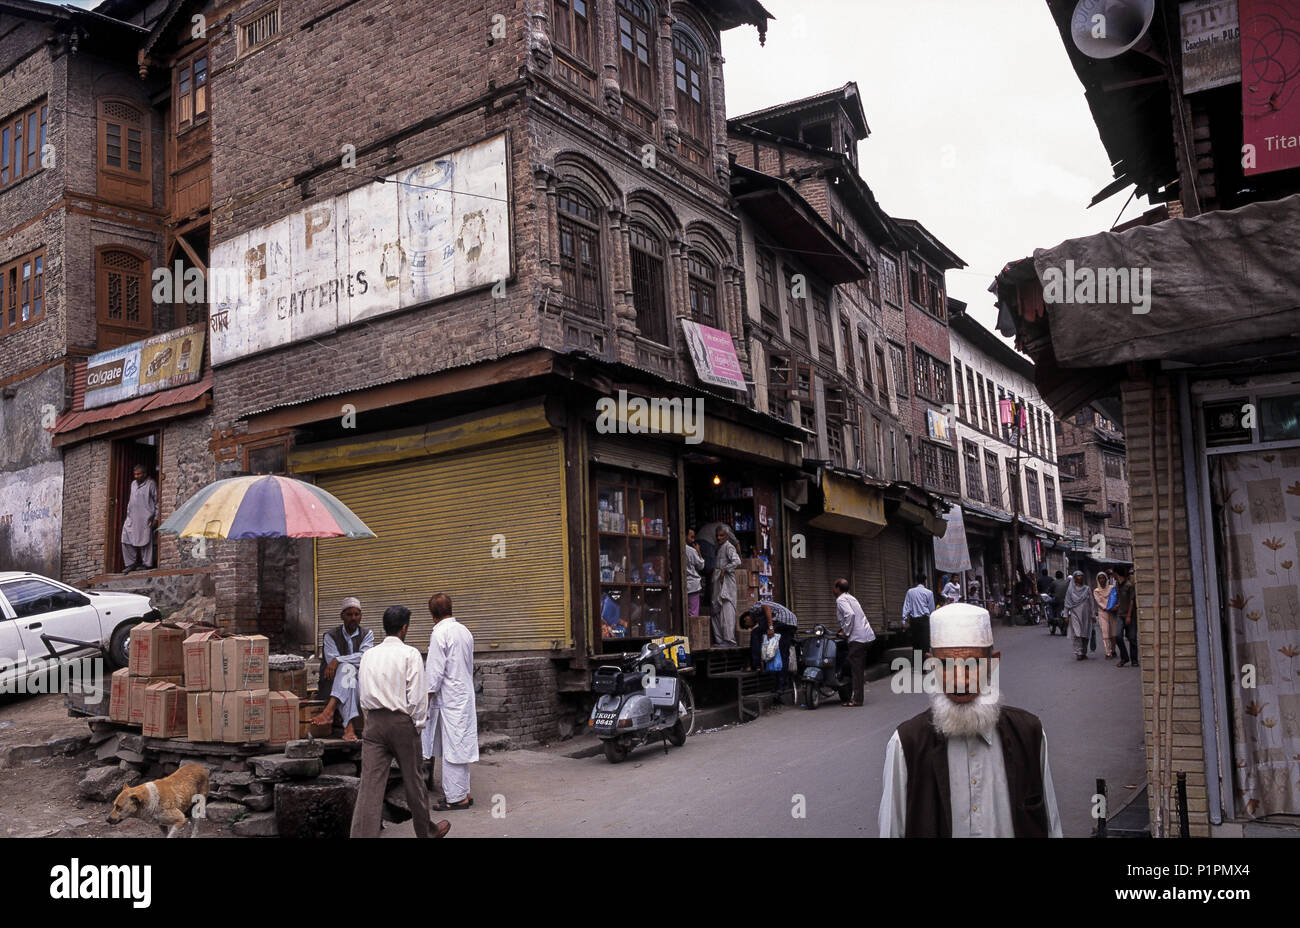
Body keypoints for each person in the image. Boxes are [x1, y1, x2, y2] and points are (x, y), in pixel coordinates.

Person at [878, 602, 1063, 837]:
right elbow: (891, 829)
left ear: (993, 663)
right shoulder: (906, 744)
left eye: (972, 664)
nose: (960, 680)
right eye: (946, 665)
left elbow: (1051, 825)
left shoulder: (1029, 733)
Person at [350, 605, 450, 839]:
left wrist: (370, 721)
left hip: (373, 722)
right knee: (414, 780)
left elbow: (363, 693)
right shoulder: (410, 654)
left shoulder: (368, 655)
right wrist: (417, 724)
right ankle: (426, 832)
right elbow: (416, 696)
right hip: (402, 722)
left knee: (370, 785)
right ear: (404, 628)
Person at [422, 593, 479, 812]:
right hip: (463, 694)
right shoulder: (463, 631)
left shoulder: (440, 633)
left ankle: (456, 798)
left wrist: (425, 697)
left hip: (449, 698)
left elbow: (435, 671)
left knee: (453, 747)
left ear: (432, 614)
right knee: (460, 743)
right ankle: (464, 791)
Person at [312, 597, 374, 740]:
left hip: (358, 684)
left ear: (361, 616)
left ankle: (331, 711)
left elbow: (365, 657)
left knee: (348, 671)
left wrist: (338, 659)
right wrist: (342, 662)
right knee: (348, 671)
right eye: (349, 615)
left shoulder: (367, 634)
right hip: (332, 684)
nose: (353, 618)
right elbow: (330, 663)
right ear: (342, 616)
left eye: (356, 614)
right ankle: (349, 728)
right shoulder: (330, 636)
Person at [739, 599, 797, 689]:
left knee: (755, 633)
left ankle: (756, 665)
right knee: (783, 654)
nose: (750, 627)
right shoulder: (761, 620)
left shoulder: (753, 610)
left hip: (781, 620)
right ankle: (781, 686)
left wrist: (770, 627)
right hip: (791, 623)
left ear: (746, 618)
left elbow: (767, 608)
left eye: (748, 625)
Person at [835, 579, 875, 707]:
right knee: (854, 666)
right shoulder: (851, 598)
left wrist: (845, 632)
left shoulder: (841, 599)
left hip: (857, 638)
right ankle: (852, 694)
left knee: (856, 669)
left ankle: (857, 699)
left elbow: (850, 614)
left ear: (837, 588)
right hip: (866, 635)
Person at [120, 464, 157, 572]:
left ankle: (147, 564)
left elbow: (157, 502)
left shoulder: (151, 484)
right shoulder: (133, 484)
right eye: (135, 474)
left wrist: (156, 518)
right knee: (125, 540)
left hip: (145, 518)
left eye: (139, 474)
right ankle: (130, 564)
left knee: (145, 542)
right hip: (131, 518)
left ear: (144, 474)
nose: (136, 476)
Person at [710, 525, 741, 647]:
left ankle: (729, 640)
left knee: (726, 612)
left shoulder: (729, 547)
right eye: (718, 535)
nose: (719, 538)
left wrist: (725, 569)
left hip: (727, 583)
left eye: (721, 535)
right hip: (718, 582)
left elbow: (737, 561)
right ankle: (720, 640)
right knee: (716, 611)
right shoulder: (719, 548)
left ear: (727, 536)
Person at [1063, 570, 1097, 660]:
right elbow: (1067, 603)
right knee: (1077, 634)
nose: (1080, 577)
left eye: (1081, 576)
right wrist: (1066, 615)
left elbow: (1091, 602)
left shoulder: (1087, 589)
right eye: (1078, 576)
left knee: (1085, 634)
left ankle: (1084, 652)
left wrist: (1093, 614)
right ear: (1074, 578)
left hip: (1086, 615)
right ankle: (1078, 652)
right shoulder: (1070, 590)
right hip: (1074, 614)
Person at [901, 574, 936, 656]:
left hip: (914, 621)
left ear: (916, 581)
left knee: (916, 645)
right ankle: (925, 667)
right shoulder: (929, 593)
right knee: (925, 644)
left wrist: (903, 619)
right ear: (925, 581)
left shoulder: (910, 592)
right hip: (924, 620)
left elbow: (906, 606)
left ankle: (918, 667)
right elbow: (932, 609)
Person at [1113, 565, 1139, 668]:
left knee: (1132, 637)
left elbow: (1132, 601)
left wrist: (1128, 615)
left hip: (1130, 615)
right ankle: (1124, 657)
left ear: (1116, 573)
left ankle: (1134, 660)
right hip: (1120, 614)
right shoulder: (1117, 585)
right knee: (1118, 636)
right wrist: (1117, 605)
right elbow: (1120, 598)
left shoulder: (1129, 585)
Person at [1093, 571, 1117, 659]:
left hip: (1113, 613)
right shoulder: (1096, 591)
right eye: (1100, 578)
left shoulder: (1112, 588)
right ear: (1097, 580)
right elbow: (1099, 602)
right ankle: (1108, 652)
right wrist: (1108, 608)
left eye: (1103, 578)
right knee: (1105, 633)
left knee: (1113, 633)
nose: (1101, 580)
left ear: (1106, 579)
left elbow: (1115, 598)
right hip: (1103, 613)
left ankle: (1113, 650)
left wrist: (1115, 606)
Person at [684, 530, 705, 618]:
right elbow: (701, 565)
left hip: (684, 585)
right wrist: (698, 551)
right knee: (693, 614)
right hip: (692, 585)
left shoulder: (674, 548)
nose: (693, 540)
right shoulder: (691, 551)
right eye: (691, 537)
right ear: (684, 536)